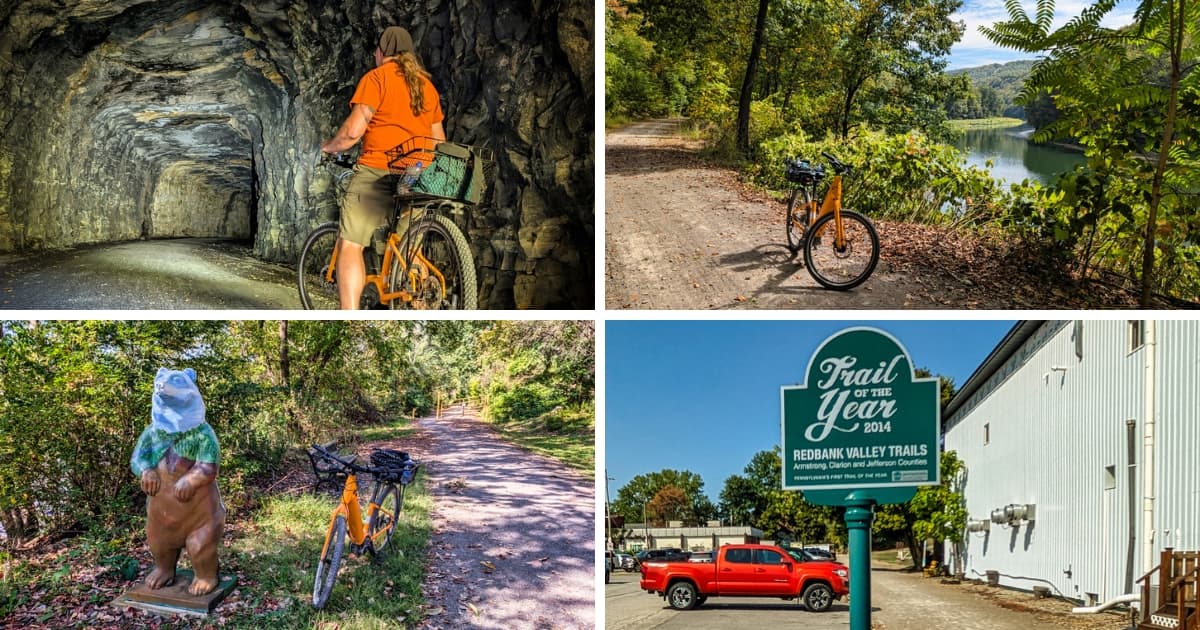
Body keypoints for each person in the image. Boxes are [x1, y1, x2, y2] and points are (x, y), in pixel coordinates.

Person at [321, 26, 446, 309]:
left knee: (352, 243)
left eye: (376, 51)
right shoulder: (428, 88)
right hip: (418, 177)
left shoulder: (376, 78)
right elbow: (439, 141)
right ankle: (418, 301)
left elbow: (353, 132)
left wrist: (330, 147)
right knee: (408, 248)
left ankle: (348, 315)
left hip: (379, 170)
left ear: (381, 52)